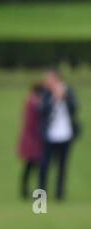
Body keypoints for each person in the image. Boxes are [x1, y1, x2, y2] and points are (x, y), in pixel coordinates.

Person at [37, 69, 81, 201]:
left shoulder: (68, 91)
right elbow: (41, 110)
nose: (46, 81)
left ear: (56, 79)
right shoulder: (46, 94)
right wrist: (53, 99)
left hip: (65, 135)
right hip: (49, 136)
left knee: (62, 166)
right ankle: (41, 195)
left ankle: (59, 194)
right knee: (44, 165)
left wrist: (64, 98)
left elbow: (75, 108)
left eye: (49, 79)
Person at [17, 81, 44, 199]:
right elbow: (32, 123)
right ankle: (28, 191)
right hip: (33, 140)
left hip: (29, 139)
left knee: (30, 166)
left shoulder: (29, 101)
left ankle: (25, 191)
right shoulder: (33, 103)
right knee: (32, 166)